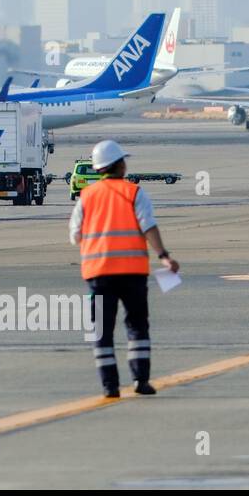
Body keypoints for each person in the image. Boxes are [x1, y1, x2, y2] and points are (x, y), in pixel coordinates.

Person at [68, 139, 180, 398]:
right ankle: (141, 380)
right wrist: (164, 256)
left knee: (102, 331)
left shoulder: (86, 196)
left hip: (98, 273)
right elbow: (148, 226)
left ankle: (110, 387)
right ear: (118, 165)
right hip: (132, 273)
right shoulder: (134, 192)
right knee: (137, 326)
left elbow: (75, 235)